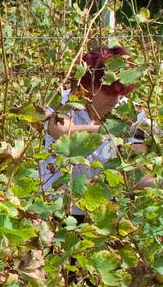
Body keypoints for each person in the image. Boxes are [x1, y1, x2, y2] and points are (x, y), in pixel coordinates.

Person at [39, 44, 152, 214]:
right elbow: (62, 131)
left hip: (102, 213)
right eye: (110, 92)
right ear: (88, 85)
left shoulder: (132, 113)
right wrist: (109, 130)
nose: (117, 99)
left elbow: (136, 175)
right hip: (57, 209)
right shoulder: (65, 101)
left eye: (122, 92)